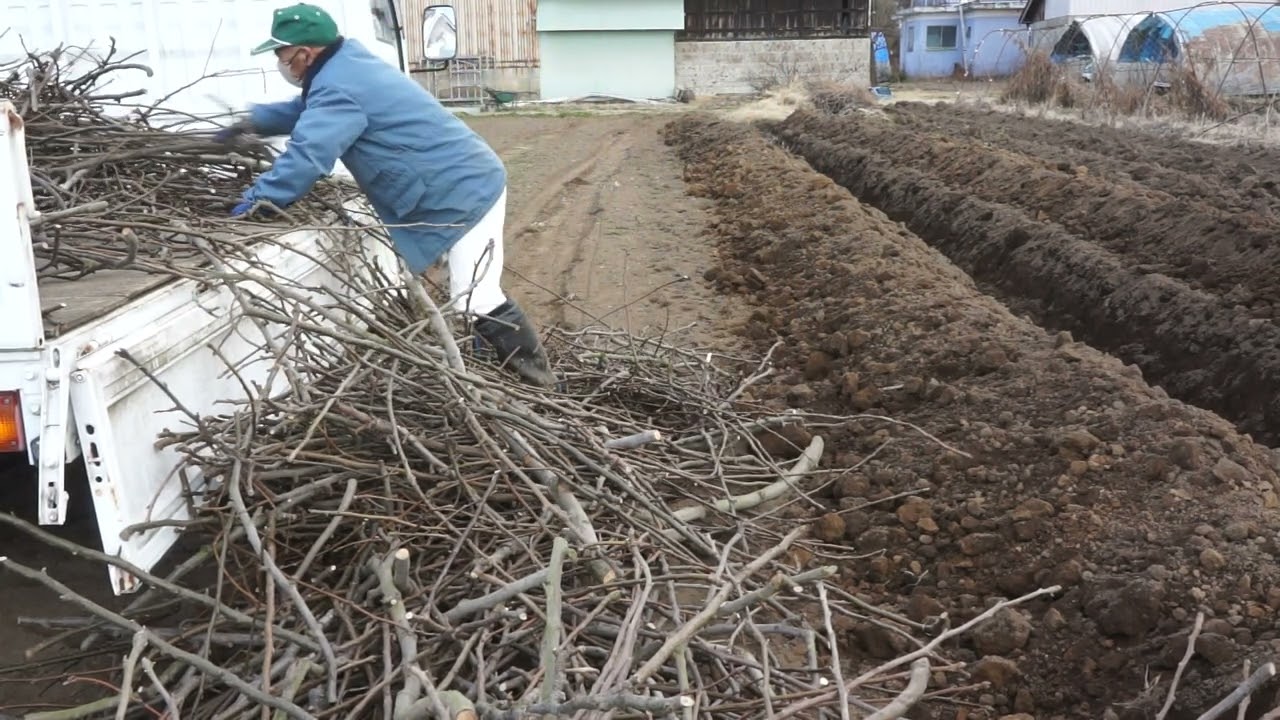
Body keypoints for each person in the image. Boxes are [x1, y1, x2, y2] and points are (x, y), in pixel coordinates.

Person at [216, 3, 555, 388]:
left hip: (464, 189)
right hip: (457, 182)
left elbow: (308, 154)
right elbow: (305, 110)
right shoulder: (345, 67)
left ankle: (538, 384)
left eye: (284, 58)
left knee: (475, 298)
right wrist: (255, 121)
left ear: (305, 54)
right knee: (469, 293)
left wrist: (263, 198)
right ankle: (497, 373)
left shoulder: (339, 85)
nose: (284, 67)